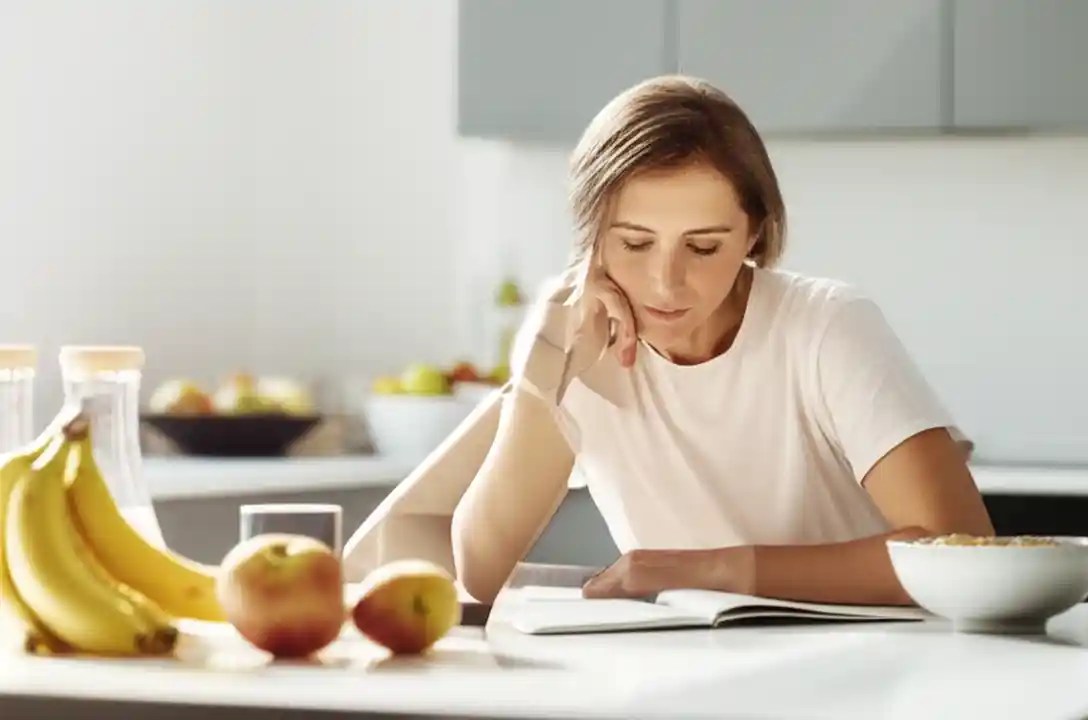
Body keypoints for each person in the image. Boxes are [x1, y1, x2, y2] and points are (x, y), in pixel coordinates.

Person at [349, 75, 994, 605]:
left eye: (704, 247)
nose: (665, 281)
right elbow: (481, 575)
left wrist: (715, 571)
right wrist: (539, 372)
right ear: (593, 238)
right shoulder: (584, 347)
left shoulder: (825, 326)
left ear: (754, 236)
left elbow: (958, 546)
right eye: (633, 243)